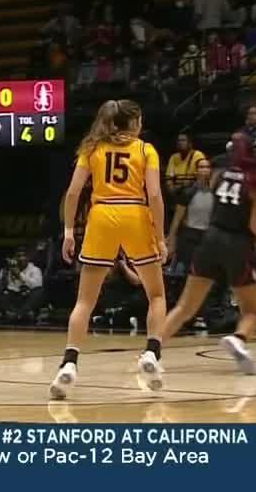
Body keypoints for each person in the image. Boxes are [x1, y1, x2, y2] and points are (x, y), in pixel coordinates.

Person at [50, 99, 168, 400]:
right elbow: (154, 195)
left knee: (85, 301)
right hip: (134, 214)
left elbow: (74, 192)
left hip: (101, 215)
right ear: (134, 122)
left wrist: (67, 232)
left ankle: (69, 363)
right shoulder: (145, 150)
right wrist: (161, 237)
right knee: (155, 294)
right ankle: (152, 354)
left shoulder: (92, 149)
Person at [161, 145, 256, 374]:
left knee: (185, 307)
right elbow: (255, 226)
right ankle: (238, 338)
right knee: (254, 311)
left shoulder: (221, 174)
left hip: (210, 238)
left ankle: (151, 351)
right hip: (238, 243)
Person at [0, 246, 44, 322]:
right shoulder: (8, 268)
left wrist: (20, 275)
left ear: (28, 258)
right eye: (19, 256)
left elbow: (37, 284)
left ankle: (18, 314)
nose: (21, 258)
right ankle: (18, 314)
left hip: (27, 297)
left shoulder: (35, 269)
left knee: (40, 292)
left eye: (23, 256)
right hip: (12, 297)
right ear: (15, 258)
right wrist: (3, 277)